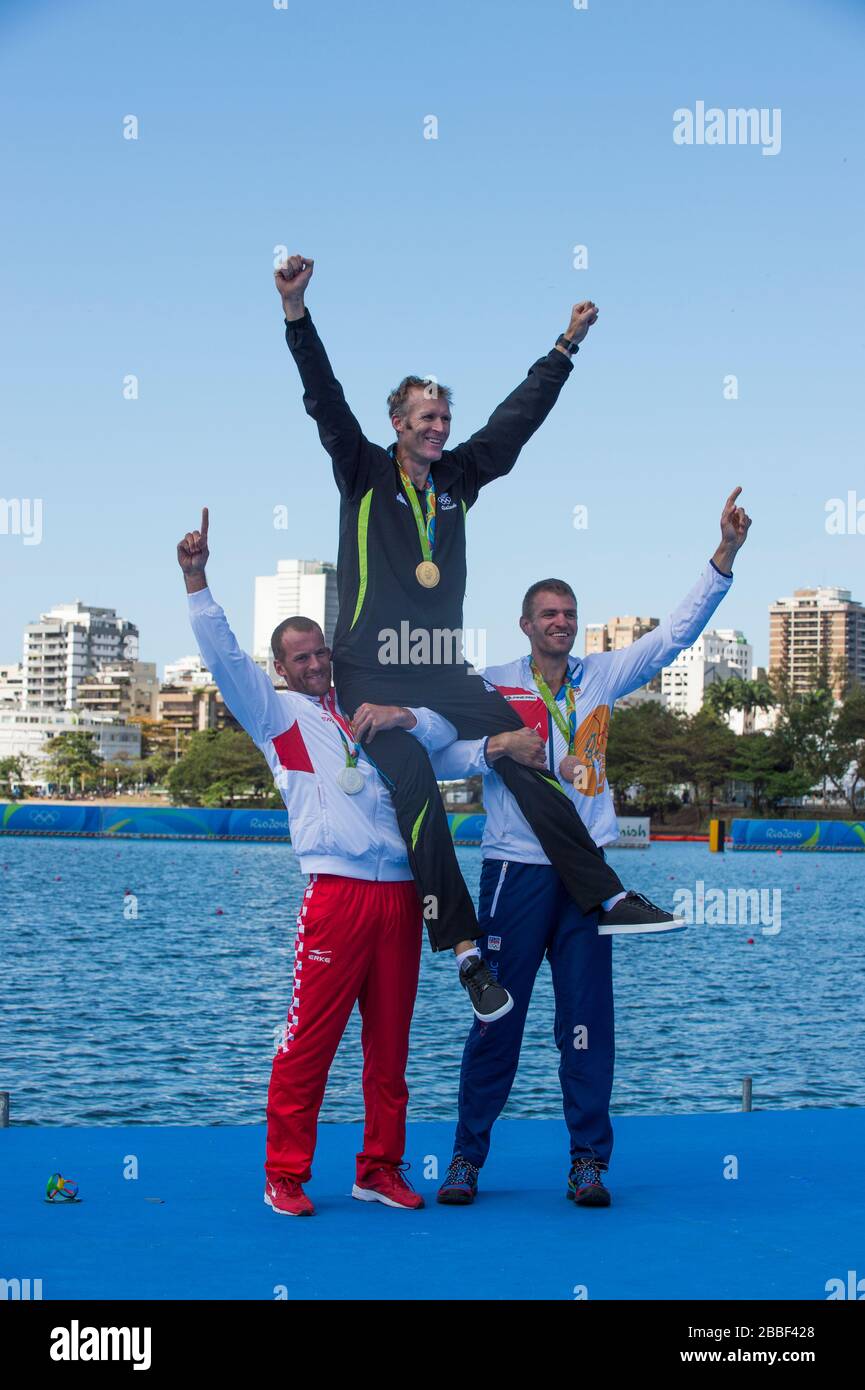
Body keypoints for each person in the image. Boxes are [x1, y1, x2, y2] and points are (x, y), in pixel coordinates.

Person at [275, 254, 673, 1025]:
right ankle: (462, 949)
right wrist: (296, 311)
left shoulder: (459, 480)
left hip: (438, 670)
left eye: (443, 418)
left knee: (524, 742)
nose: (438, 428)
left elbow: (515, 422)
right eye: (424, 418)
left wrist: (563, 349)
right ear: (398, 423)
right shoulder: (361, 471)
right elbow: (322, 398)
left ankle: (604, 892)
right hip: (370, 672)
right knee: (414, 783)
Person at [431, 488, 752, 1208]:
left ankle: (586, 1164)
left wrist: (722, 555)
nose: (561, 623)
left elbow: (674, 634)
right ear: (524, 624)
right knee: (497, 1020)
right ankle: (464, 1159)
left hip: (588, 884)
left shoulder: (601, 677)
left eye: (569, 614)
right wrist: (491, 747)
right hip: (514, 873)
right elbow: (441, 755)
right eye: (548, 614)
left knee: (584, 1026)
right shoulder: (494, 685)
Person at [177, 508, 458, 1217]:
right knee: (309, 1042)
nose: (313, 664)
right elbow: (223, 657)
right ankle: (285, 1174)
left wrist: (401, 717)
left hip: (399, 896)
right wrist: (195, 579)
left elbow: (445, 732)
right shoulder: (274, 714)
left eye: (319, 653)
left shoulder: (366, 710)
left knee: (389, 1052)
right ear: (280, 668)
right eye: (299, 657)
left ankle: (379, 1168)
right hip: (336, 895)